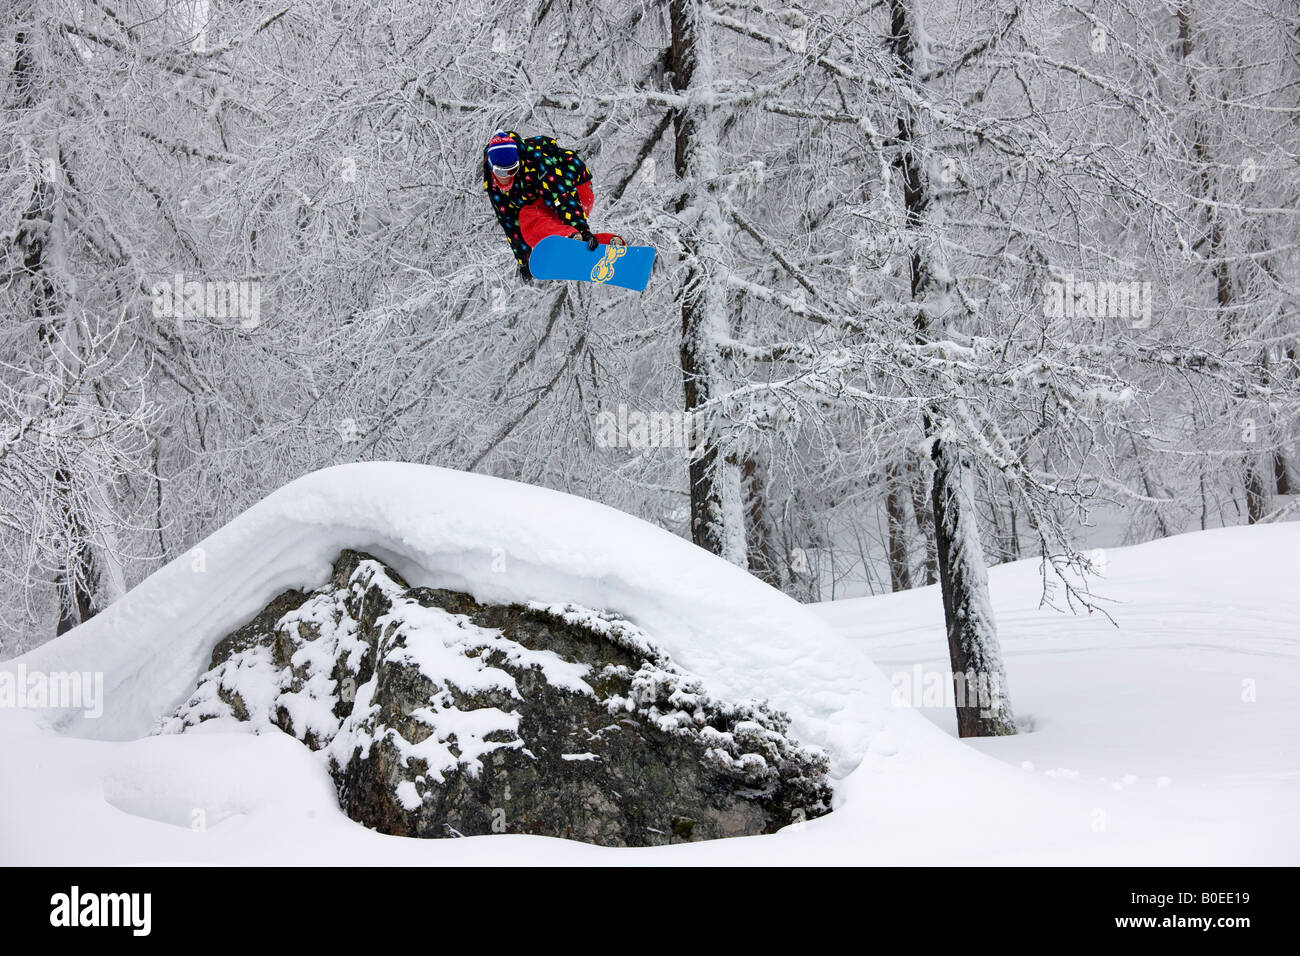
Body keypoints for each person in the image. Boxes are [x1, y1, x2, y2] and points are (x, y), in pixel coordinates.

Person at [482, 129, 621, 283]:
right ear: (491, 167)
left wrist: (582, 229)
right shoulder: (493, 185)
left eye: (513, 169)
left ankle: (569, 238)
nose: (509, 176)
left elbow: (561, 196)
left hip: (576, 192)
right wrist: (523, 259)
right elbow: (508, 219)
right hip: (569, 204)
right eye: (502, 172)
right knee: (529, 221)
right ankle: (609, 245)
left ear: (519, 162)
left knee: (527, 217)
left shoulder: (534, 162)